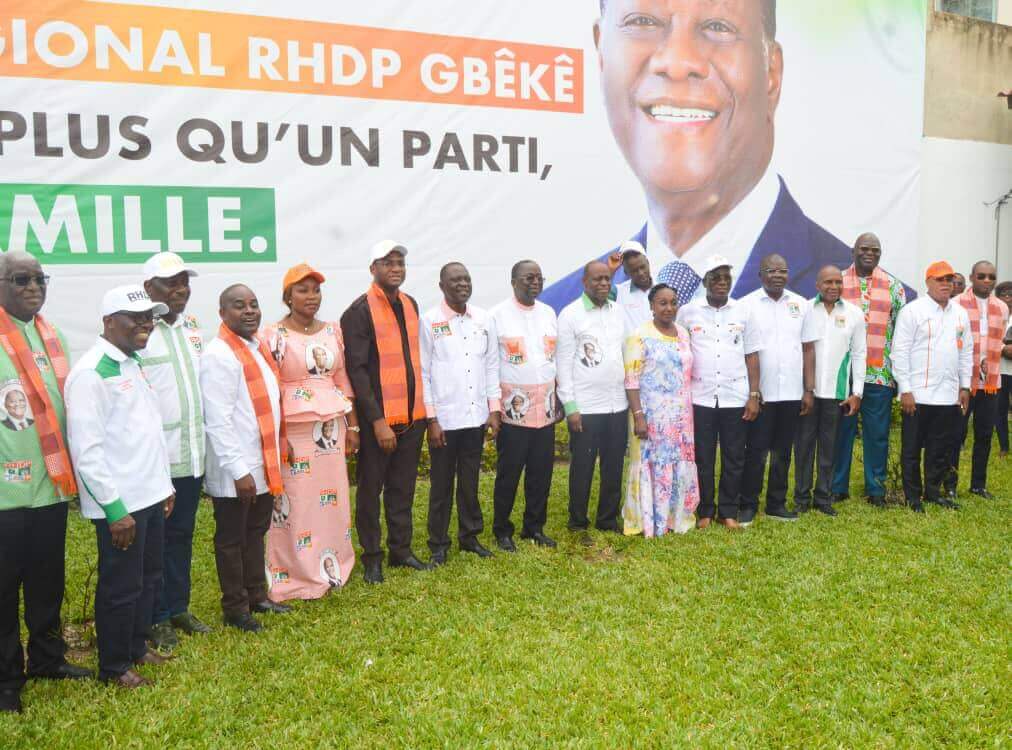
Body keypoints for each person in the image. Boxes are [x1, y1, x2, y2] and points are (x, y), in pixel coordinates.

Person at [541, 0, 886, 313]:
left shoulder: (871, 304)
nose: (677, 63)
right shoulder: (559, 311)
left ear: (771, 73)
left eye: (719, 27)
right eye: (643, 21)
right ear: (602, 54)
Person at [66, 285, 175, 688]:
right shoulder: (92, 373)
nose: (146, 323)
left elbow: (146, 433)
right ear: (109, 322)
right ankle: (113, 667)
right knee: (121, 586)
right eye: (137, 317)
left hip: (149, 497)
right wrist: (114, 510)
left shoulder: (132, 363)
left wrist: (164, 486)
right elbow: (88, 451)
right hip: (121, 508)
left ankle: (135, 645)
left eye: (151, 317)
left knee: (149, 577)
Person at [0, 252, 90, 713]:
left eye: (40, 278)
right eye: (21, 279)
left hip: (49, 487)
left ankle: (48, 659)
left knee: (45, 581)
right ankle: (5, 680)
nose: (33, 286)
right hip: (5, 493)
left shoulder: (50, 334)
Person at [264, 263, 358, 600]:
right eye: (302, 290)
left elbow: (342, 377)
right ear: (287, 297)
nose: (311, 296)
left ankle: (331, 564)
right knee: (296, 500)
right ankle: (293, 572)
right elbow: (269, 386)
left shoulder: (333, 330)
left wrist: (353, 425)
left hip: (332, 427)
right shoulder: (273, 334)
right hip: (295, 429)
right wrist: (279, 434)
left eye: (316, 290)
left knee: (331, 499)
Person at [201, 284, 290, 632]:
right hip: (236, 469)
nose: (250, 311)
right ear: (223, 314)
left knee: (255, 533)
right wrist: (238, 470)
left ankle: (257, 596)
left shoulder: (255, 348)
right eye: (240, 306)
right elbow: (218, 420)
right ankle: (235, 608)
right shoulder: (219, 355)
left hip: (262, 461)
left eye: (254, 304)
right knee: (231, 540)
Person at [341, 241, 430, 583]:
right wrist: (377, 422)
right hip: (378, 420)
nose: (395, 268)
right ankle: (372, 557)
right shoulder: (359, 311)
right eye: (387, 262)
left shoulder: (410, 304)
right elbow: (357, 372)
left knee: (402, 488)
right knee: (369, 490)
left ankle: (401, 551)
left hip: (411, 417)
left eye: (400, 262)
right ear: (373, 269)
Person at [138, 251, 209, 652]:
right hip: (157, 459)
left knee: (182, 535)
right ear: (150, 289)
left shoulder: (192, 327)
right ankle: (157, 616)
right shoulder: (140, 331)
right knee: (156, 542)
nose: (181, 290)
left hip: (192, 454)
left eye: (185, 282)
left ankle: (179, 607)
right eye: (171, 283)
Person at [420, 262, 501, 565]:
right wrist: (431, 419)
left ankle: (470, 536)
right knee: (441, 484)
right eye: (455, 281)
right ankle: (438, 543)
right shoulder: (429, 321)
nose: (462, 284)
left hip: (475, 416)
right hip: (445, 419)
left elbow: (491, 365)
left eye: (466, 279)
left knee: (469, 482)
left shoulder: (483, 318)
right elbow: (424, 372)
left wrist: (494, 409)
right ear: (442, 286)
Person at [676, 257, 761, 529]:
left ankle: (728, 511)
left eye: (726, 277)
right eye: (716, 277)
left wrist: (754, 394)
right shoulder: (688, 312)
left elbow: (752, 355)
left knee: (734, 456)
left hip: (735, 395)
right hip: (699, 396)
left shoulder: (744, 311)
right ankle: (704, 510)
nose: (722, 282)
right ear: (705, 281)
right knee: (703, 456)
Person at [832, 233, 907, 507]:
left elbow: (900, 332)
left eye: (875, 250)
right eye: (864, 249)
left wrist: (898, 374)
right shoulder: (837, 281)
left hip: (879, 373)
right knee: (842, 431)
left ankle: (876, 489)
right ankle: (837, 486)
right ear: (853, 250)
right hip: (845, 374)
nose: (869, 254)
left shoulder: (894, 287)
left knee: (877, 433)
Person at [892, 262, 973, 513]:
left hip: (948, 395)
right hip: (917, 395)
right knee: (912, 449)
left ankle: (933, 492)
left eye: (949, 279)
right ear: (927, 282)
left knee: (940, 448)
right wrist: (905, 389)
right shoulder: (912, 311)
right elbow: (899, 352)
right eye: (940, 279)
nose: (946, 284)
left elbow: (966, 352)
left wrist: (965, 386)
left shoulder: (960, 313)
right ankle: (913, 497)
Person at [490, 260, 560, 550]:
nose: (535, 282)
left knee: (541, 474)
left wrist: (560, 401)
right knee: (509, 474)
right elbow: (491, 364)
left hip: (544, 410)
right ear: (513, 281)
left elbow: (553, 360)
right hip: (513, 412)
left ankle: (534, 527)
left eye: (539, 277)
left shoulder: (548, 313)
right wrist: (493, 408)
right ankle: (502, 530)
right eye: (528, 277)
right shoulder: (497, 316)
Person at [557, 261, 629, 537]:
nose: (603, 284)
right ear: (584, 282)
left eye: (607, 279)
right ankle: (577, 520)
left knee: (613, 465)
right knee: (583, 466)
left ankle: (608, 519)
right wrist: (571, 407)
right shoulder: (571, 315)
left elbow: (625, 353)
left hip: (617, 405)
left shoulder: (618, 312)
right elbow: (563, 365)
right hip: (585, 407)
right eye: (597, 279)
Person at [622, 283, 700, 536]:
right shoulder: (639, 335)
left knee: (678, 464)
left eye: (673, 302)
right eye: (662, 303)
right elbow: (631, 381)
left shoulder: (683, 334)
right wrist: (638, 416)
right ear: (651, 306)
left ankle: (674, 518)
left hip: (681, 417)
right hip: (651, 416)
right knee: (652, 464)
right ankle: (648, 520)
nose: (669, 308)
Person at [738, 254, 810, 525]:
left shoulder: (800, 305)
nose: (778, 275)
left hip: (791, 392)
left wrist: (808, 389)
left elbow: (807, 348)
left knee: (783, 451)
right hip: (762, 394)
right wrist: (751, 392)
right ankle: (748, 504)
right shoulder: (747, 306)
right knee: (755, 451)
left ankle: (776, 504)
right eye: (772, 270)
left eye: (783, 270)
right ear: (760, 274)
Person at [794, 266, 866, 517]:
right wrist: (804, 388)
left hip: (836, 394)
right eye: (828, 282)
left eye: (838, 282)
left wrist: (857, 392)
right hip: (808, 393)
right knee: (803, 447)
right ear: (817, 285)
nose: (833, 286)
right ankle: (801, 498)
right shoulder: (804, 309)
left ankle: (823, 497)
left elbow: (859, 353)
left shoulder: (854, 314)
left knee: (829, 447)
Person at [948, 262, 1009, 499]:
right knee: (955, 433)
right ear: (972, 277)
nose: (986, 281)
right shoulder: (956, 303)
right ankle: (950, 483)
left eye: (991, 277)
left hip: (991, 381)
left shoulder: (1002, 307)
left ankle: (978, 484)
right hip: (963, 382)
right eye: (981, 276)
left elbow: (999, 339)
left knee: (984, 435)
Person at [614, 241, 653, 335]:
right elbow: (592, 298)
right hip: (632, 349)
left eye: (642, 267)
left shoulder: (664, 287)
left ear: (648, 262)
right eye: (634, 270)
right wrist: (611, 270)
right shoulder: (617, 292)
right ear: (626, 272)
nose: (640, 273)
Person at [995, 281, 1012, 457]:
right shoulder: (995, 315)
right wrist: (1003, 349)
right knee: (999, 410)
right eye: (1004, 295)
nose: (1008, 298)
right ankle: (1004, 447)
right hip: (999, 371)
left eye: (1010, 294)